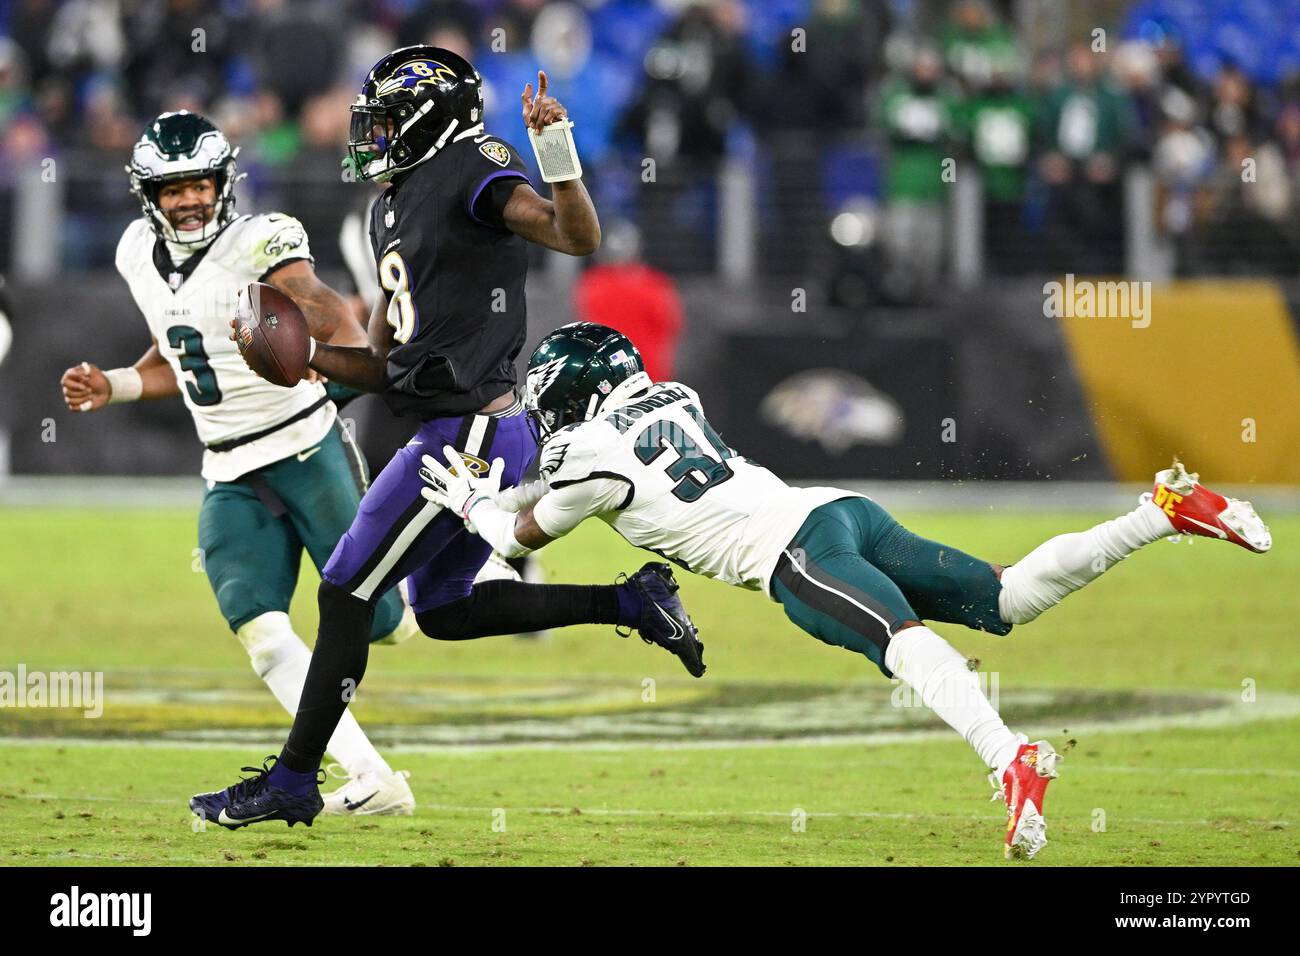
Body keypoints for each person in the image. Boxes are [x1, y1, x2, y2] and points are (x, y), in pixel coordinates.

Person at [419, 322, 1272, 859]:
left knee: (900, 643)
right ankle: (1161, 513)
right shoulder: (674, 395)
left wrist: (472, 502)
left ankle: (1008, 756)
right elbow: (588, 487)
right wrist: (511, 497)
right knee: (1008, 598)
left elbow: (515, 538)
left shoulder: (586, 456)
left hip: (793, 554)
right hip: (839, 511)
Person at [191, 47, 705, 830]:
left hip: (470, 431)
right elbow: (381, 365)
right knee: (443, 609)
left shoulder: (473, 166)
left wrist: (556, 152)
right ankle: (631, 600)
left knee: (344, 591)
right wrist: (303, 358)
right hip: (472, 428)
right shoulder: (388, 207)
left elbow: (574, 235)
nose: (373, 135)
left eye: (387, 120)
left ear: (430, 118)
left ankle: (293, 781)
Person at [59, 110, 420, 816]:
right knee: (258, 627)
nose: (190, 200)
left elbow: (320, 306)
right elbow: (180, 348)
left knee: (390, 623)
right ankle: (372, 778)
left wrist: (345, 354)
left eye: (200, 184)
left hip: (306, 447)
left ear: (223, 183)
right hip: (230, 468)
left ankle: (482, 562)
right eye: (173, 189)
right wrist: (117, 384)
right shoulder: (136, 252)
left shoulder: (258, 239)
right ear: (149, 197)